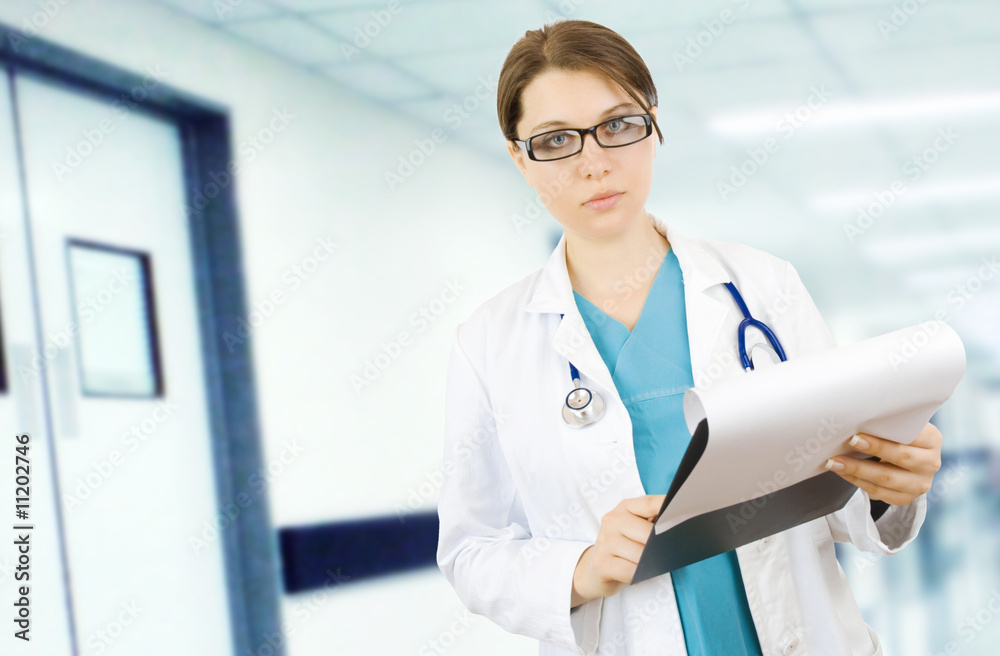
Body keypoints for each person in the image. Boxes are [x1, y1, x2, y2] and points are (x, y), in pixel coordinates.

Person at [436, 19, 942, 656]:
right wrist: (580, 567)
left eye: (618, 125)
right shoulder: (490, 343)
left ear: (653, 124)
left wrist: (885, 485)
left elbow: (842, 488)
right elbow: (471, 550)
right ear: (520, 158)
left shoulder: (764, 287)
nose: (594, 163)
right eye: (557, 140)